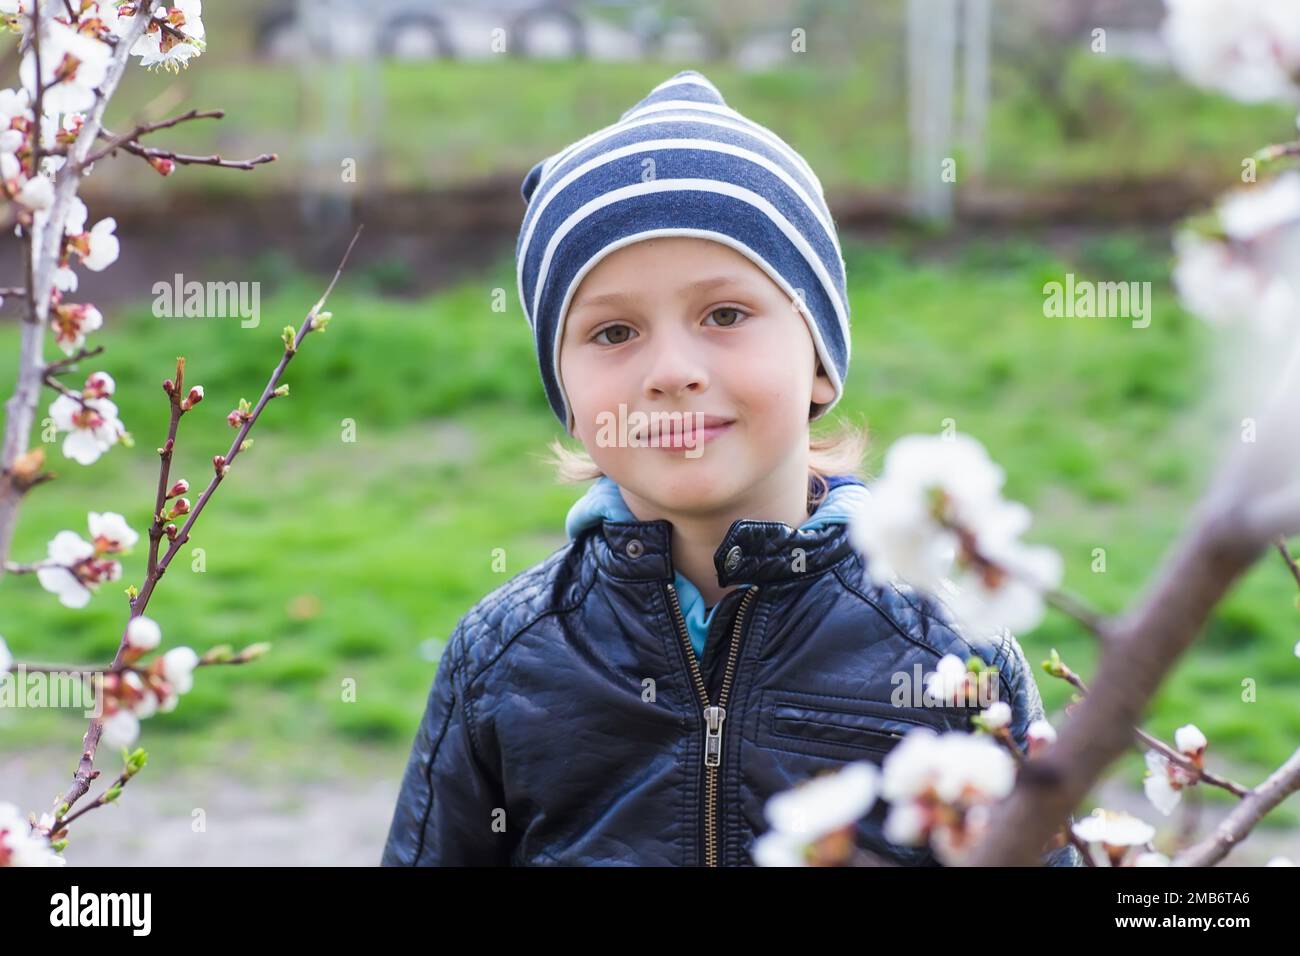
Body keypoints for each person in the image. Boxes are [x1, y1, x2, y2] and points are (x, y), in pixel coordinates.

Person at [381, 70, 1080, 866]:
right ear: (566, 396)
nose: (671, 370)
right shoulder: (504, 660)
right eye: (613, 333)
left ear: (817, 358)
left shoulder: (948, 652)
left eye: (724, 315)